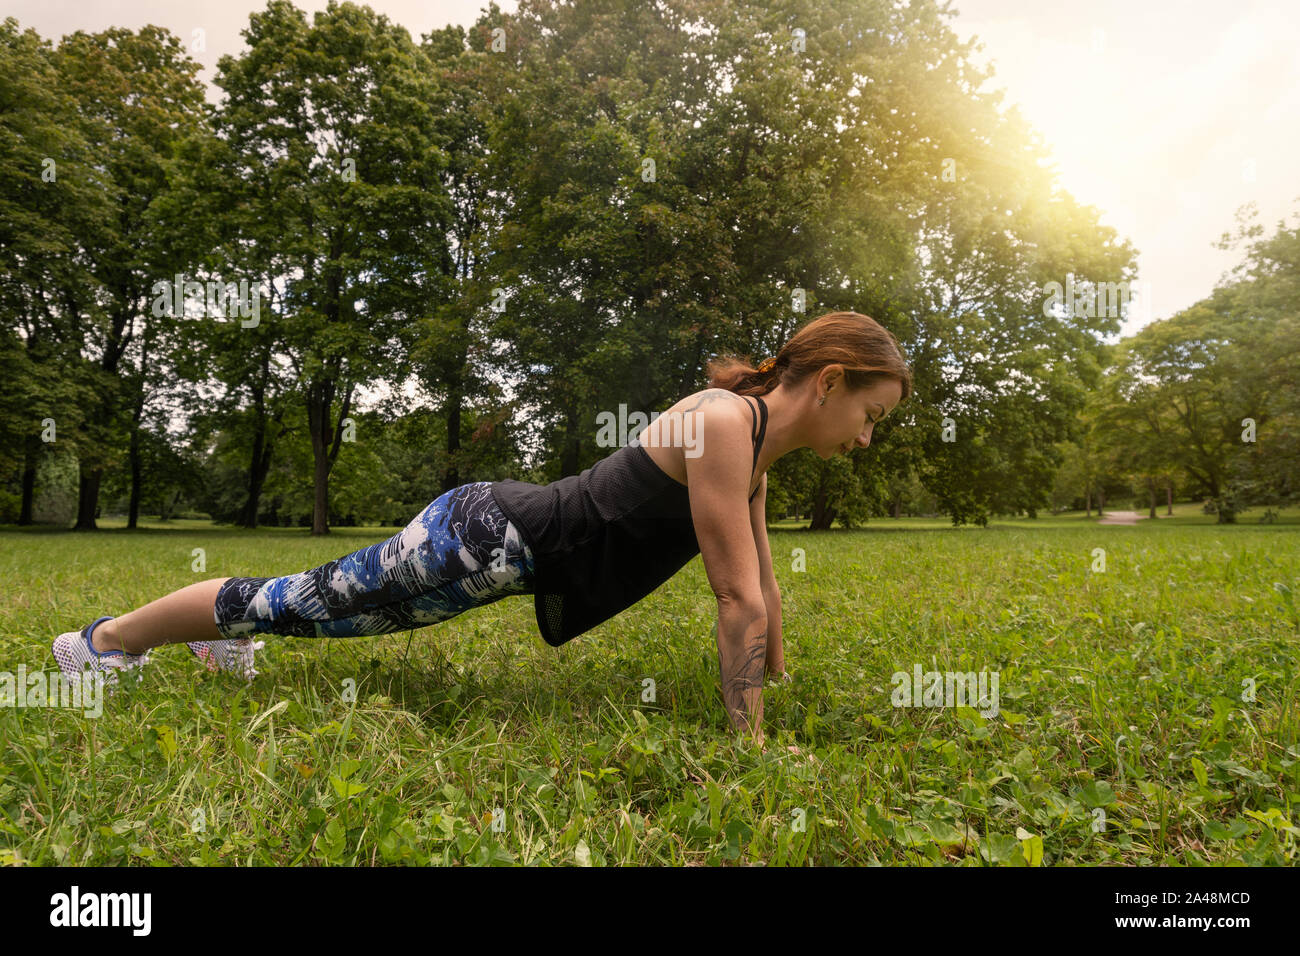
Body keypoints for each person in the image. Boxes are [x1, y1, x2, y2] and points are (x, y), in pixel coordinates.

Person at [52, 311, 911, 745]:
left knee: (305, 614)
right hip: (481, 535)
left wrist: (781, 684)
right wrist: (748, 740)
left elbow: (761, 588)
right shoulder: (724, 421)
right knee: (300, 602)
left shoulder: (755, 452)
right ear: (831, 381)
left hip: (503, 549)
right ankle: (104, 641)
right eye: (870, 415)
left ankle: (218, 641)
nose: (867, 439)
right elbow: (734, 599)